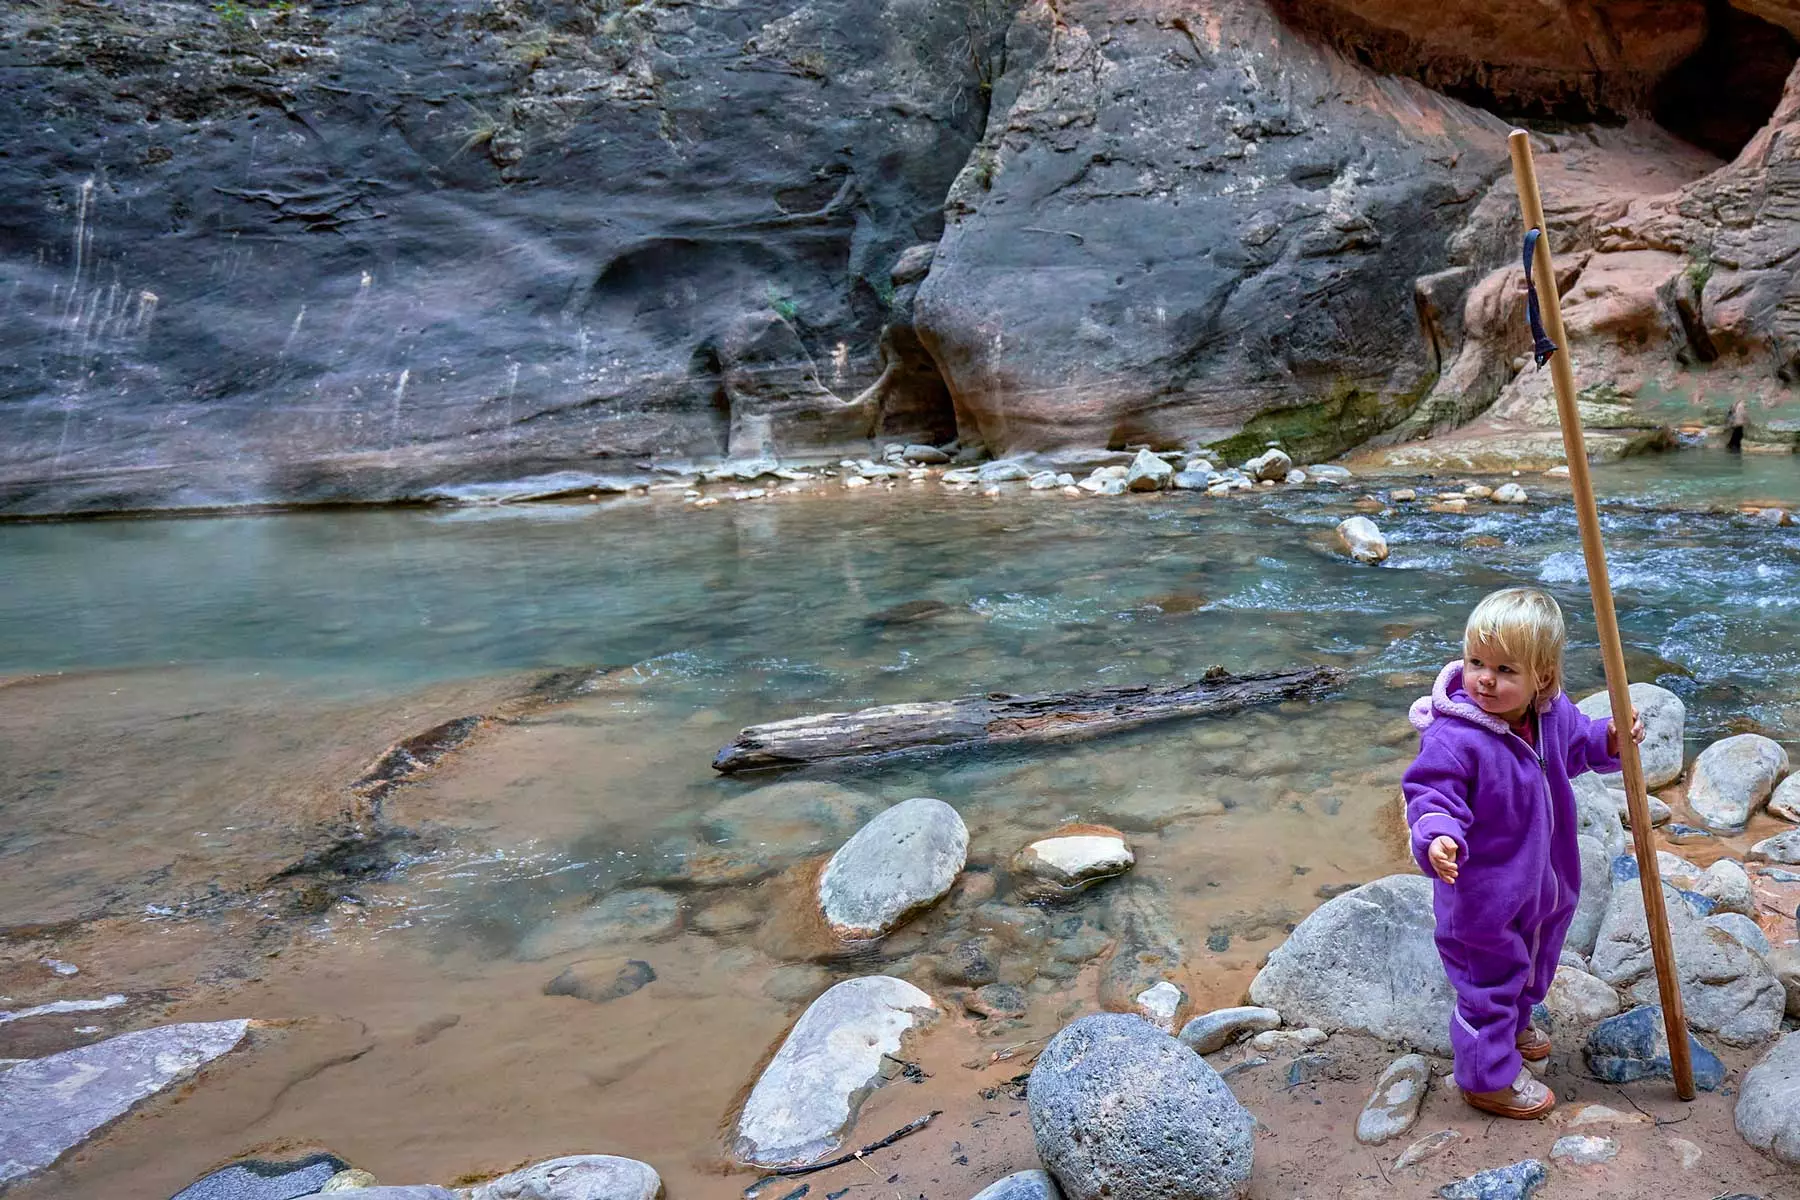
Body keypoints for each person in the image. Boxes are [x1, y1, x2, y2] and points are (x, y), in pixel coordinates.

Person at [1402, 587, 1643, 1119]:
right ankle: (1485, 1078)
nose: (1485, 678)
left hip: (1544, 882)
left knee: (1533, 964)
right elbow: (1430, 794)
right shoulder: (1454, 737)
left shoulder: (1550, 715)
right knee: (1488, 983)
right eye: (1476, 662)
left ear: (1544, 678)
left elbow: (1577, 747)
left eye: (1505, 669)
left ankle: (1513, 1027)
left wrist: (1610, 740)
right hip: (1481, 895)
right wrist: (1438, 834)